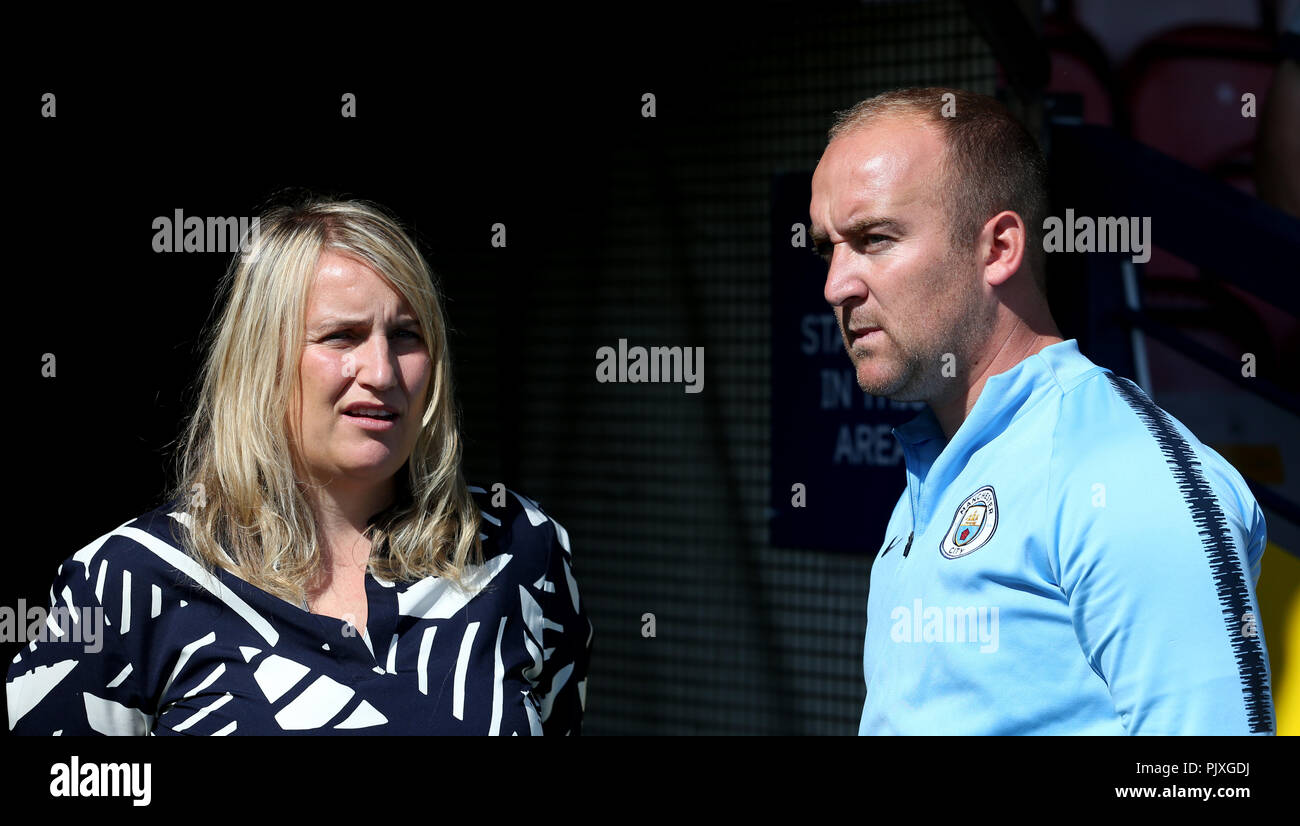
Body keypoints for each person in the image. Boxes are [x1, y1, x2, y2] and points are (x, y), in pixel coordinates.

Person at [6, 197, 592, 735]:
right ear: (264, 357)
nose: (383, 372)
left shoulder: (520, 547)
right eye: (342, 336)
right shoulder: (128, 580)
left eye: (406, 336)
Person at [809, 88, 1275, 734]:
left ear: (999, 248)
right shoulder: (934, 469)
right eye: (826, 248)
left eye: (874, 238)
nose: (836, 284)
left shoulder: (1123, 477)